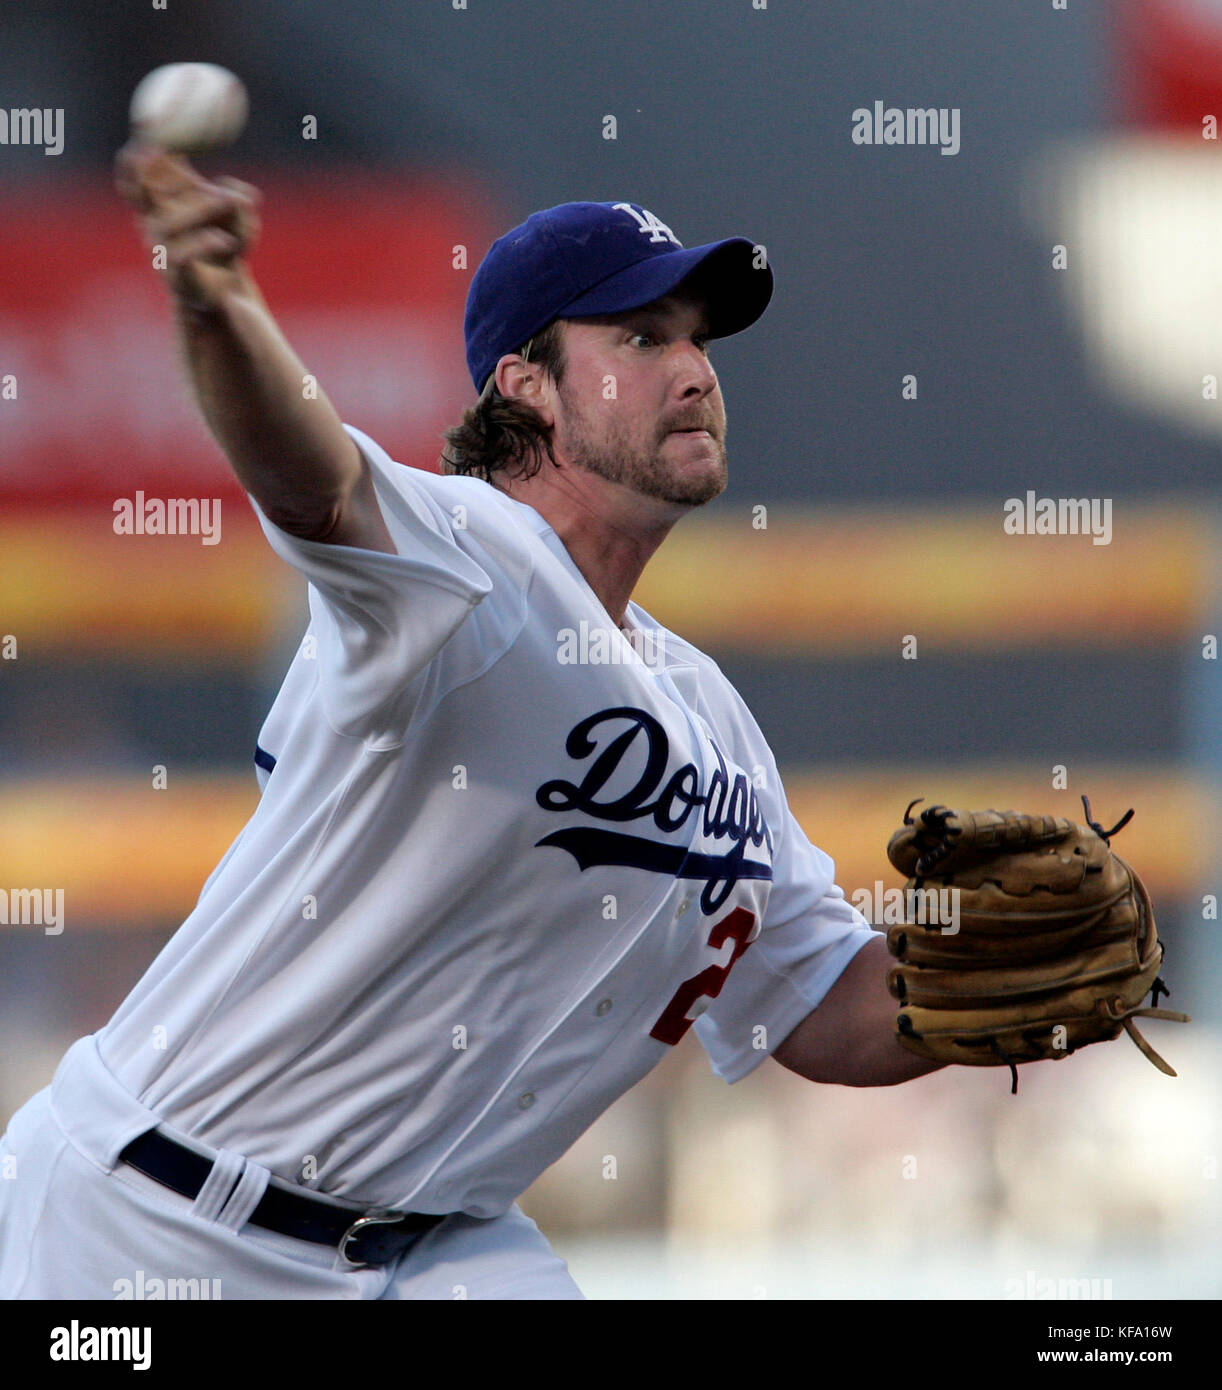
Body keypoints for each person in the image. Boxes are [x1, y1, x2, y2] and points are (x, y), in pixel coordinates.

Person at [0, 148, 941, 1301]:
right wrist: (216, 305)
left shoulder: (709, 715)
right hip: (153, 1223)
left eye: (697, 337)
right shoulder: (463, 561)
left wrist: (1041, 990)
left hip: (439, 1245)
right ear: (524, 384)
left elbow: (824, 1003)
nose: (693, 369)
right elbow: (311, 479)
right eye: (641, 338)